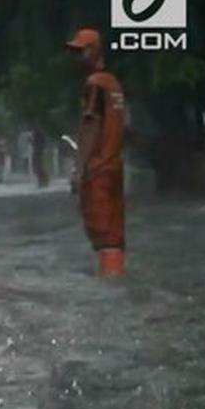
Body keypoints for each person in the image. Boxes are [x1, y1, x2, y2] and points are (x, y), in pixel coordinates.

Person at [67, 28, 126, 277]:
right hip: (115, 167)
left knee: (101, 232)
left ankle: (110, 285)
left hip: (98, 170)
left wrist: (78, 172)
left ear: (94, 52)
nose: (77, 58)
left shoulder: (94, 84)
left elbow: (91, 127)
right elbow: (125, 124)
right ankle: (115, 278)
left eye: (81, 52)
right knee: (114, 232)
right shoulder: (114, 84)